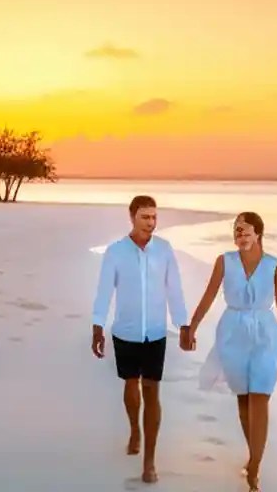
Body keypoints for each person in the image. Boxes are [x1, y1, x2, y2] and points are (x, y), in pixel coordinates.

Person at [184, 211, 277, 492]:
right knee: (244, 399)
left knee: (260, 395)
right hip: (232, 333)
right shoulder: (224, 262)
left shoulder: (275, 266)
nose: (240, 236)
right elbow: (209, 295)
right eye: (236, 231)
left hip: (265, 334)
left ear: (258, 233)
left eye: (245, 231)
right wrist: (192, 327)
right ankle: (254, 454)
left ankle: (255, 468)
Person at [91, 195, 191, 484]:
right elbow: (104, 290)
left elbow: (175, 289)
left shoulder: (164, 250)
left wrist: (183, 324)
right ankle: (134, 429)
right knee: (130, 382)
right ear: (132, 217)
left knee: (152, 390)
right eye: (145, 217)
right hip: (126, 330)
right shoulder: (116, 251)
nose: (151, 222)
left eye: (154, 217)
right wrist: (97, 325)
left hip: (156, 332)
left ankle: (149, 462)